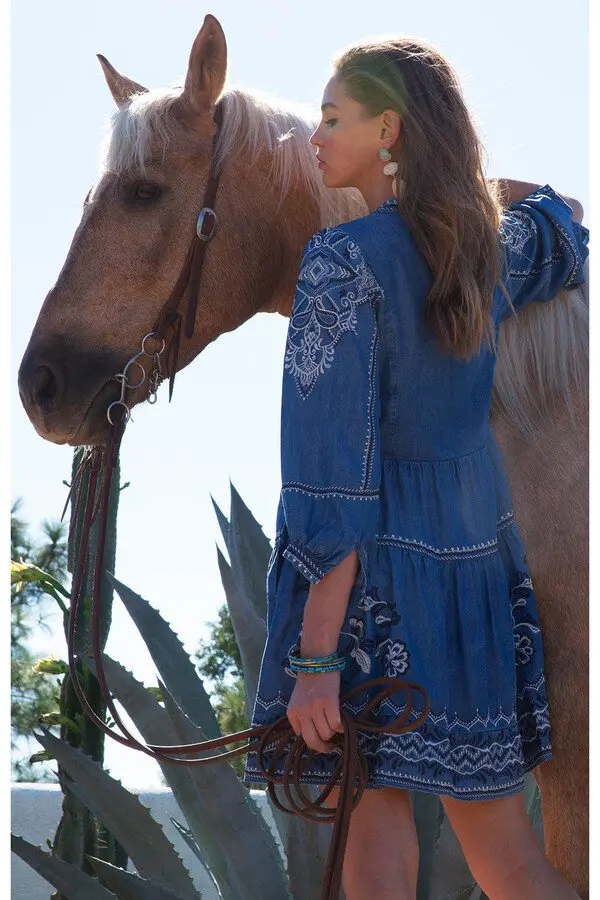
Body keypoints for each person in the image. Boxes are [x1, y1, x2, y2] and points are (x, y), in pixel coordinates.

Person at [242, 36, 588, 900]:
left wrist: (318, 655)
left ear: (388, 130)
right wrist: (480, 201)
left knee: (371, 827)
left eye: (332, 118)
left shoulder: (339, 260)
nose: (311, 137)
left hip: (366, 590)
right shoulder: (484, 254)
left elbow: (332, 475)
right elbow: (567, 227)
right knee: (506, 850)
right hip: (473, 577)